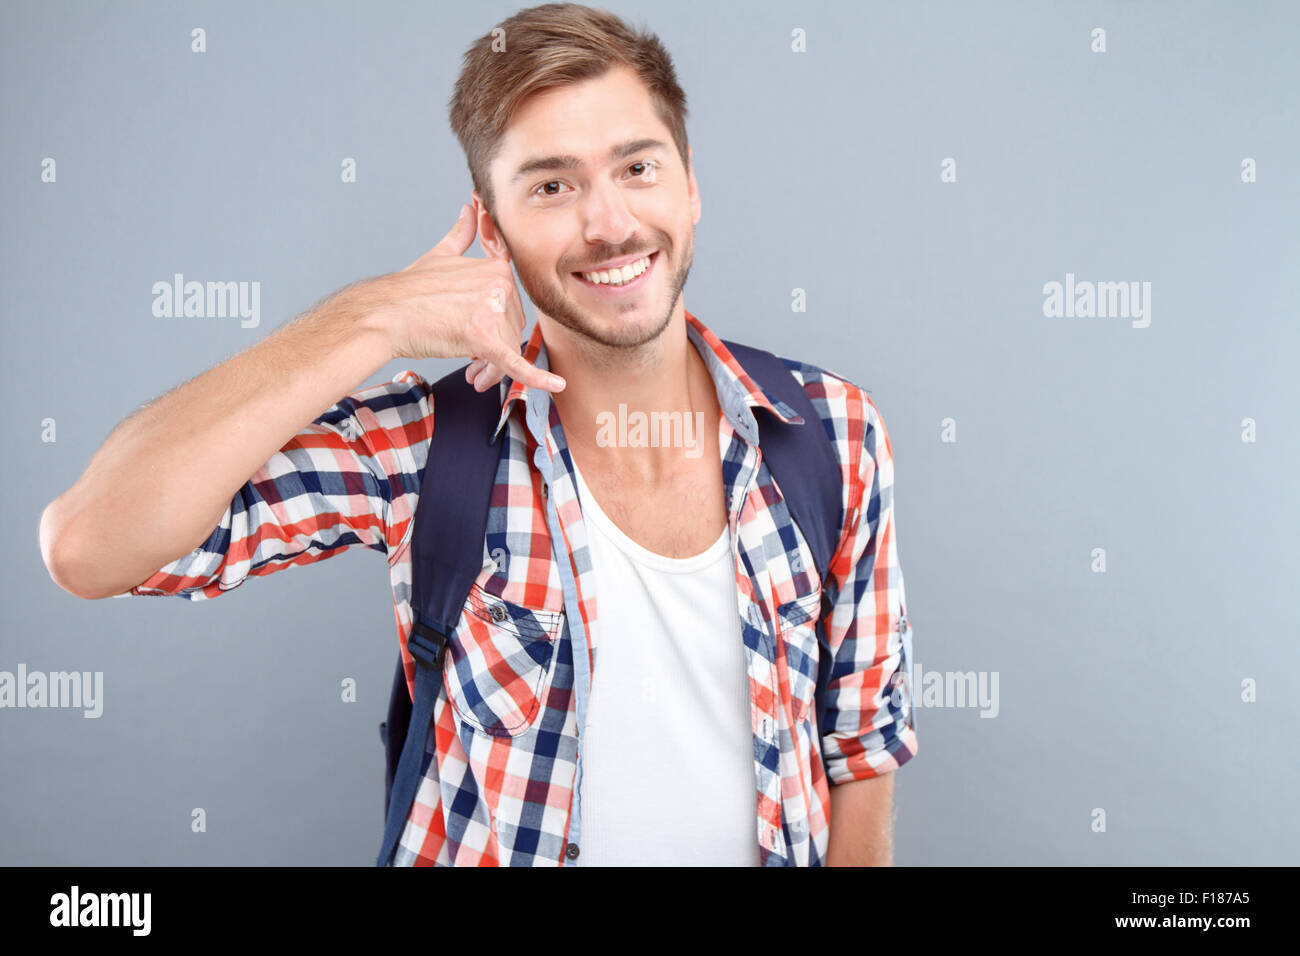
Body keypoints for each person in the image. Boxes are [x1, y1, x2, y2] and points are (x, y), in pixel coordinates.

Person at [37, 2, 916, 866]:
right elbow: (89, 545)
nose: (609, 222)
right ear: (491, 231)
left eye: (638, 168)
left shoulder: (830, 432)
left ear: (690, 187)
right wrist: (363, 319)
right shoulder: (427, 448)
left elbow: (861, 751)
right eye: (552, 185)